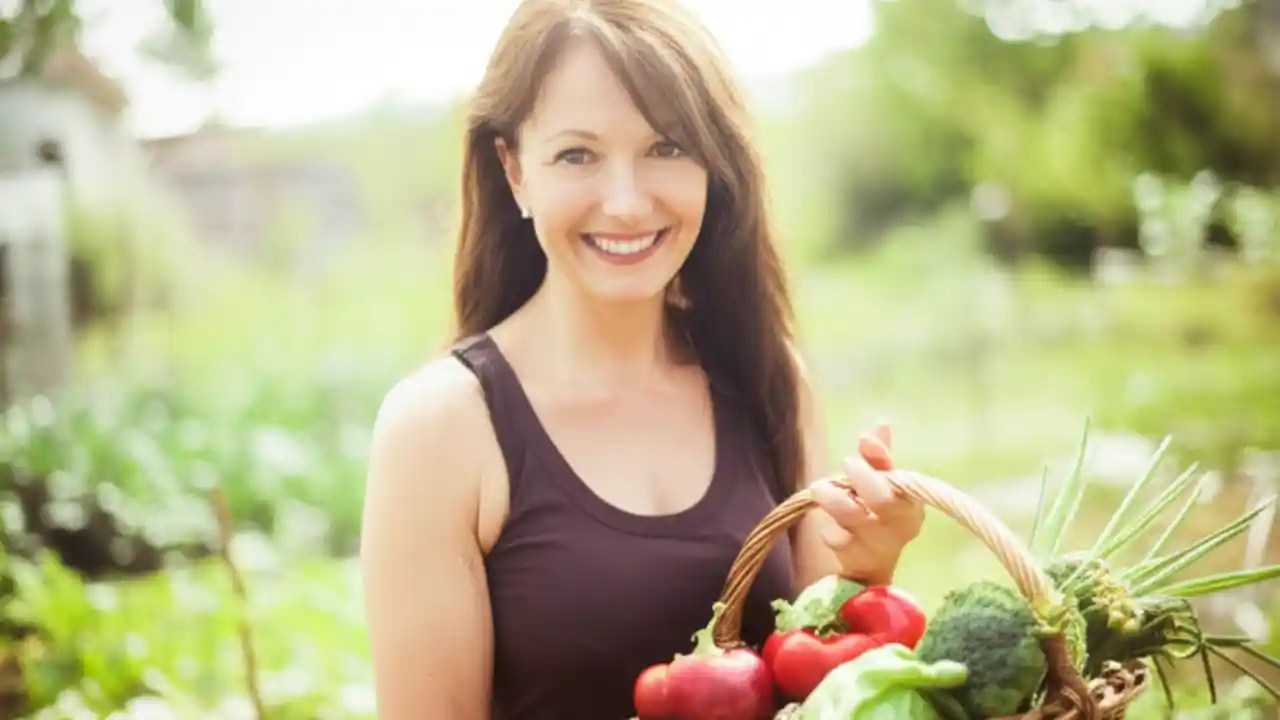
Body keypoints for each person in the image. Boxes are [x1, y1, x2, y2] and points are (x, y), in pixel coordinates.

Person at [358, 1, 925, 717]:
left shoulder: (763, 375)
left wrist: (871, 563)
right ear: (514, 171)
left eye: (667, 147)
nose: (625, 203)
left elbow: (823, 680)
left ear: (714, 165)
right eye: (577, 154)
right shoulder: (441, 427)